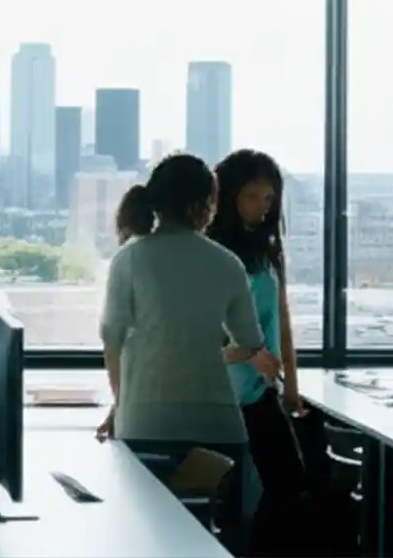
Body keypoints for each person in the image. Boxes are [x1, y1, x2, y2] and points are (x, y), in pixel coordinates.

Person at [95, 153, 277, 550]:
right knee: (223, 542)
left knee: (144, 543)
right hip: (217, 431)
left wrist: (122, 405)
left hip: (145, 427)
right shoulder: (227, 263)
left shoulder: (129, 258)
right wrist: (209, 352)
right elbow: (250, 342)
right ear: (204, 205)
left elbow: (112, 341)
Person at [209, 149, 309, 552]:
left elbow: (281, 320)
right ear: (228, 196)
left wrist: (291, 388)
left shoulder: (266, 249)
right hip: (223, 391)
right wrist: (249, 354)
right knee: (230, 498)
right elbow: (204, 335)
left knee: (289, 482)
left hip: (260, 388)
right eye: (252, 196)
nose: (262, 207)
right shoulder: (212, 252)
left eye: (268, 198)